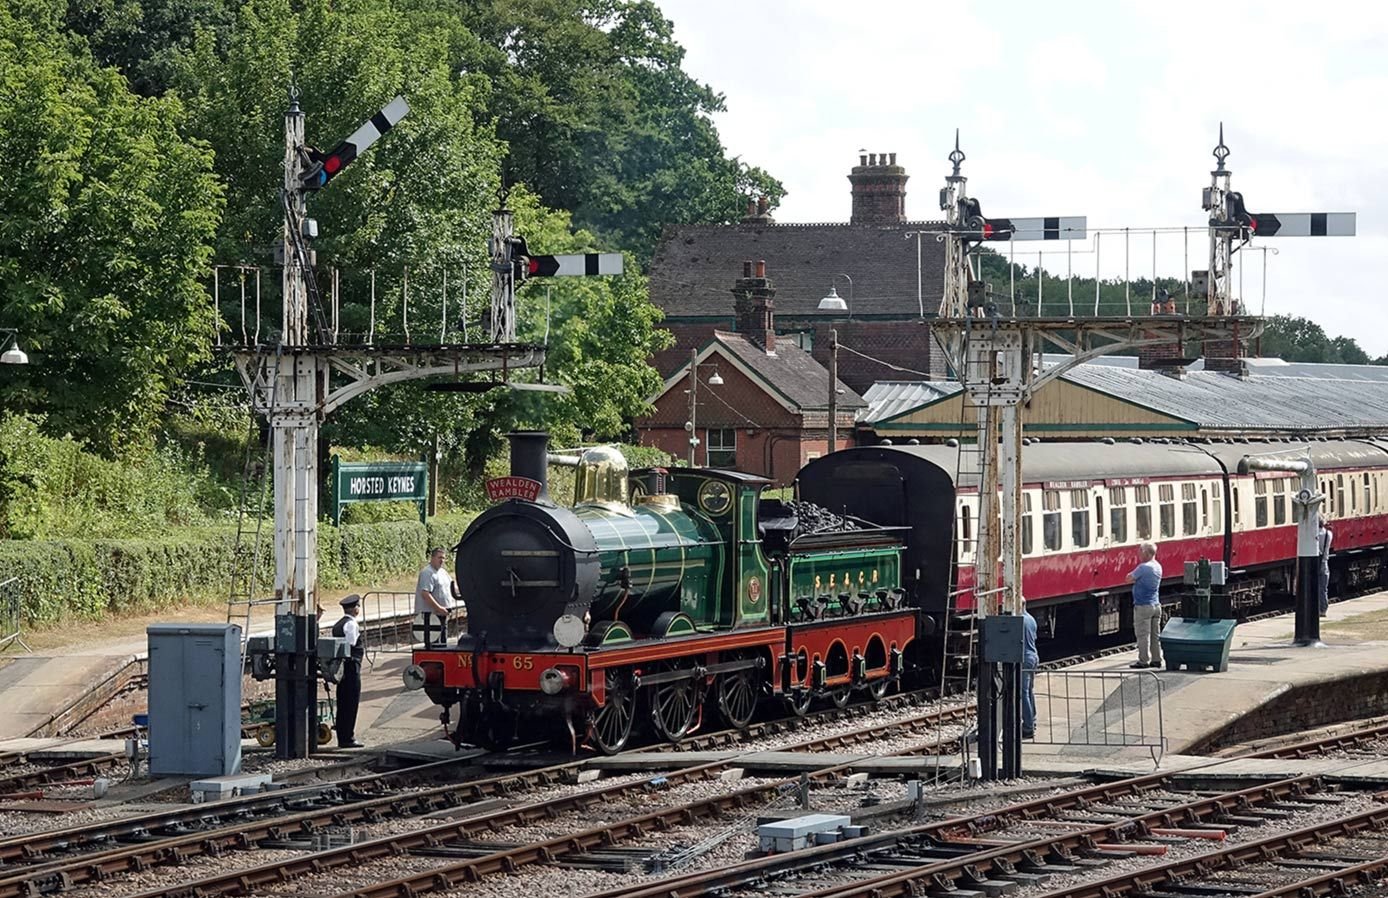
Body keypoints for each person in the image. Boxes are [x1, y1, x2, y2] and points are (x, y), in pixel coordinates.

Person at [332, 594, 365, 749]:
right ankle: (348, 738)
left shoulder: (338, 624)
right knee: (351, 703)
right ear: (356, 608)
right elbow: (350, 644)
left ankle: (342, 736)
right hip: (352, 669)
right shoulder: (351, 625)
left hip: (341, 669)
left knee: (342, 702)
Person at [1126, 541, 1164, 669]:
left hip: (1143, 606)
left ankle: (1143, 661)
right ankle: (1157, 659)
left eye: (1140, 551)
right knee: (1155, 635)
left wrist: (1131, 576)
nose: (1138, 553)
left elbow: (1128, 578)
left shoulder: (1143, 567)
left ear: (1147, 553)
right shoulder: (1158, 567)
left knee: (1143, 635)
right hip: (1156, 605)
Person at [416, 546, 459, 648]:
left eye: (443, 558)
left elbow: (453, 587)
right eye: (439, 557)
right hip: (431, 616)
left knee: (442, 644)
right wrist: (438, 608)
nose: (442, 560)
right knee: (434, 645)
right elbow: (425, 594)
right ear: (432, 558)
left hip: (441, 614)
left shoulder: (443, 572)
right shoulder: (427, 573)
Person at [1021, 603, 1038, 740]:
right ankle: (1032, 719)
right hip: (1033, 656)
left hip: (1024, 658)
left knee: (1023, 692)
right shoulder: (1031, 619)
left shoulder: (1019, 620)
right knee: (1030, 690)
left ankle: (1028, 727)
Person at [1318, 518, 1334, 616]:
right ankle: (1323, 609)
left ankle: (1315, 608)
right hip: (1324, 562)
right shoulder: (1329, 534)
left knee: (1313, 587)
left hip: (1315, 562)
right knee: (1323, 588)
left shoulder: (1315, 535)